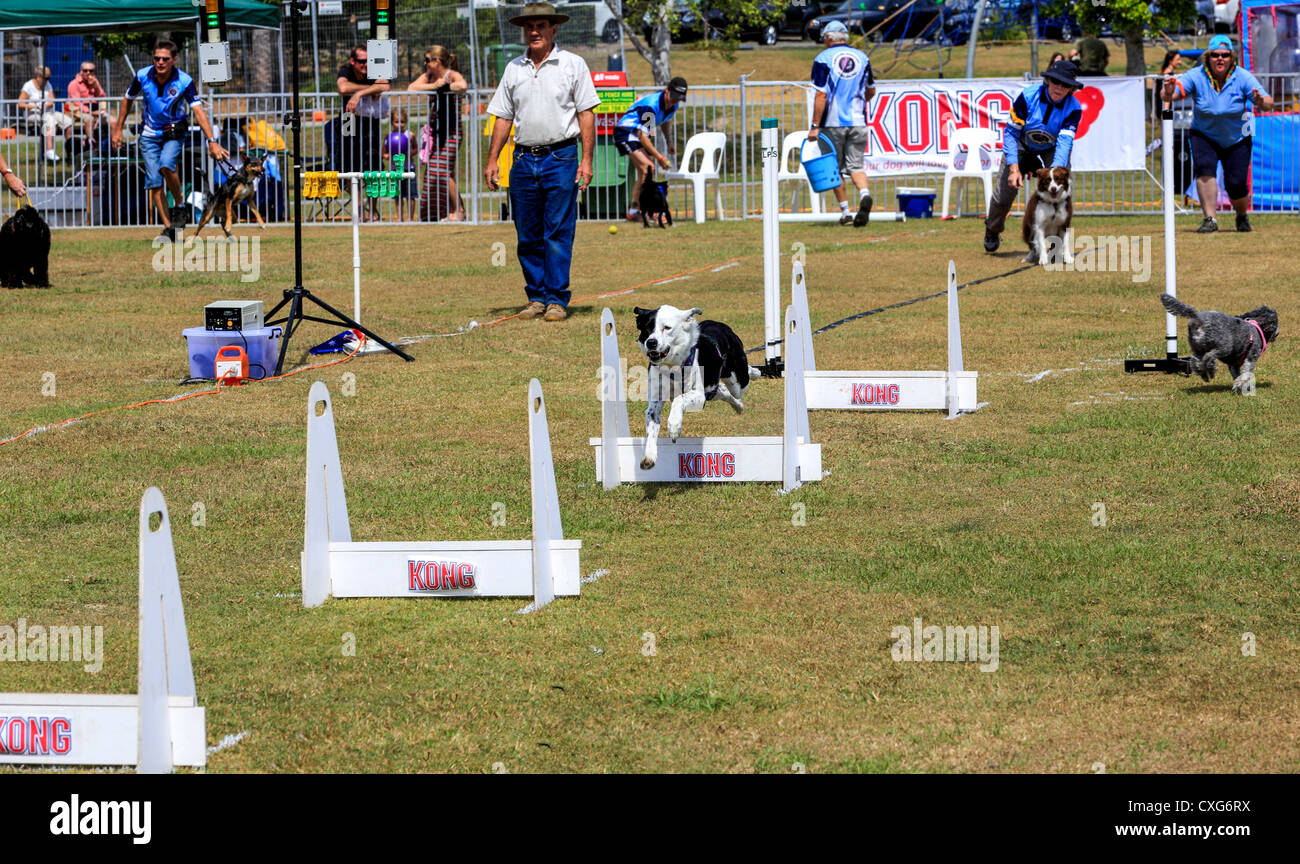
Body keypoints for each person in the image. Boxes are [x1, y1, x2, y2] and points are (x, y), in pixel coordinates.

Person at [485, 3, 599, 323]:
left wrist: (586, 160)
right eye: (529, 26)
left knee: (558, 231)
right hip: (522, 158)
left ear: (554, 29)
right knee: (528, 234)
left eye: (540, 25)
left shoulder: (573, 65)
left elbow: (586, 113)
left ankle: (556, 300)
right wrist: (492, 159)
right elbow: (504, 117)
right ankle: (536, 297)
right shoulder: (514, 68)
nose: (534, 31)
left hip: (561, 157)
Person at [110, 41, 228, 240]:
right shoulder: (142, 76)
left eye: (165, 59)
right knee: (154, 183)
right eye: (157, 58)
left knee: (166, 165)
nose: (160, 62)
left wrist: (212, 141)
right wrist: (117, 130)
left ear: (174, 60)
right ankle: (171, 229)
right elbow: (127, 99)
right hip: (148, 134)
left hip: (173, 131)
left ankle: (180, 207)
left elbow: (198, 111)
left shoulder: (184, 81)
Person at [1162, 35, 1273, 233]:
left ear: (1232, 57)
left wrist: (1260, 101)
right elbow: (1171, 94)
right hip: (1204, 134)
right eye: (1215, 55)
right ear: (1207, 57)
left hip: (1237, 136)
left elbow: (1267, 102)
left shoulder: (1242, 76)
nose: (1220, 59)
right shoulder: (1196, 75)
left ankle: (1241, 215)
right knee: (1205, 170)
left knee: (1236, 183)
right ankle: (1210, 220)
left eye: (1225, 55)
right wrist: (1168, 91)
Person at [983, 60, 1083, 253]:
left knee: (1060, 190)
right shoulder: (1028, 97)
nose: (1059, 88)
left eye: (1065, 85)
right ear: (1048, 81)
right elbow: (1011, 133)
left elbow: (1065, 143)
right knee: (1004, 194)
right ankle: (993, 229)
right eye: (1056, 82)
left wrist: (1054, 172)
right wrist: (1013, 167)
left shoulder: (1074, 108)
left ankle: (1056, 241)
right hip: (1021, 144)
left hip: (1051, 149)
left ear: (1071, 88)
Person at [808, 20, 876, 227]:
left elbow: (821, 95)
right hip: (858, 121)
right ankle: (865, 195)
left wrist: (814, 125)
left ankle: (846, 212)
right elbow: (871, 90)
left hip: (832, 123)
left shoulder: (823, 58)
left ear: (828, 38)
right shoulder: (863, 57)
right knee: (856, 165)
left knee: (834, 168)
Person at [613, 77, 686, 221]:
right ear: (667, 90)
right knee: (649, 167)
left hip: (637, 134)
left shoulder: (673, 105)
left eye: (679, 98)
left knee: (645, 172)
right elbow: (643, 136)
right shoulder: (651, 106)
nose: (675, 101)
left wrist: (669, 140)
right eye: (674, 97)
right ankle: (652, 210)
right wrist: (660, 158)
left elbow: (665, 120)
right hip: (626, 132)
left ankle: (634, 212)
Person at [409, 45, 468, 222]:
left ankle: (458, 211)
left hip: (452, 132)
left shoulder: (451, 74)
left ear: (437, 61)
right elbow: (411, 88)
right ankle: (433, 213)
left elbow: (462, 85)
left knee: (443, 171)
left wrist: (447, 86)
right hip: (435, 133)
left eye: (427, 60)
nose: (425, 63)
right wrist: (434, 85)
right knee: (434, 172)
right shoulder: (428, 77)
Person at [337, 45, 390, 222]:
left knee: (374, 167)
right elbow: (343, 88)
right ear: (353, 61)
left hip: (370, 120)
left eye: (368, 61)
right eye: (361, 61)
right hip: (348, 120)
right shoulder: (345, 70)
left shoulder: (373, 71)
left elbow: (385, 85)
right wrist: (370, 88)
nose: (365, 64)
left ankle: (373, 212)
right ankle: (359, 212)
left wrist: (360, 93)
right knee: (352, 165)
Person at [19, 67, 73, 162]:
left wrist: (46, 104)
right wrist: (35, 106)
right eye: (46, 78)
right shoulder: (28, 86)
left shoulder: (48, 85)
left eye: (48, 78)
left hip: (48, 111)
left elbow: (52, 100)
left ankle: (70, 151)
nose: (47, 80)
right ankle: (49, 150)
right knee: (50, 120)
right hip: (32, 114)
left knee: (68, 121)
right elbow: (21, 104)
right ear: (38, 76)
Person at [382, 107, 418, 222]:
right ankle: (399, 217)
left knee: (410, 195)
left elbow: (415, 149)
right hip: (395, 170)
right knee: (397, 195)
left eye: (402, 121)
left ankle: (410, 218)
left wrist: (407, 154)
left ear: (406, 122)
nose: (400, 124)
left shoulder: (410, 135)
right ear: (392, 122)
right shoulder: (388, 137)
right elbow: (384, 153)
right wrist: (389, 157)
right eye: (397, 122)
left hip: (408, 169)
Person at [67, 61, 108, 147]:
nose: (88, 73)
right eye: (85, 70)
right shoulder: (74, 84)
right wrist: (90, 112)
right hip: (79, 109)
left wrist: (95, 86)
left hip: (95, 108)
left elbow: (102, 96)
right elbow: (76, 102)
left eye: (91, 71)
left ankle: (111, 143)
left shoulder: (95, 81)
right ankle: (90, 142)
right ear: (81, 71)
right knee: (90, 119)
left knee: (111, 120)